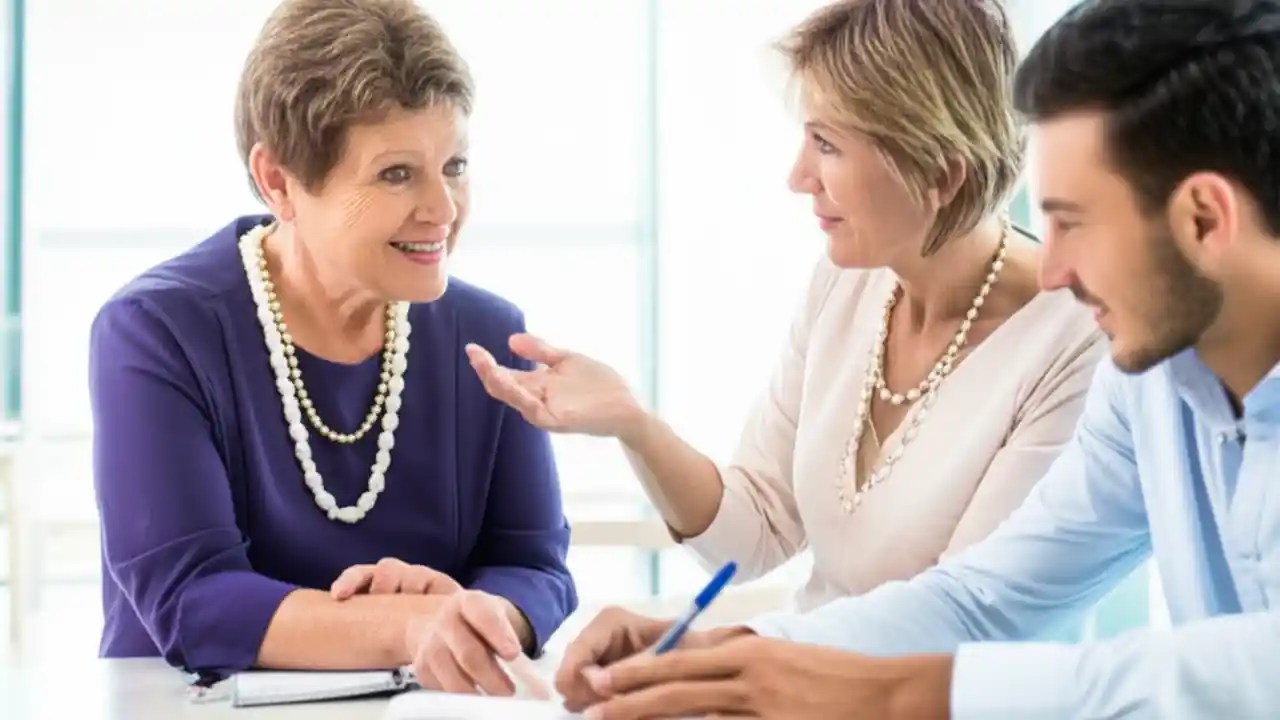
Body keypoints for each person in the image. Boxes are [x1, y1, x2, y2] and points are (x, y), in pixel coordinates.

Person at [551, 0, 1280, 718]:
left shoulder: (1088, 347)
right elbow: (983, 597)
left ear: (1204, 220)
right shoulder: (1148, 385)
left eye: (1071, 223)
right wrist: (733, 653)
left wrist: (898, 692)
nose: (1052, 270)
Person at [469, 0, 1101, 614]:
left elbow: (964, 617)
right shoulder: (846, 284)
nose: (799, 176)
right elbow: (755, 534)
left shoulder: (1074, 341)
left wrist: (731, 656)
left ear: (941, 173)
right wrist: (633, 425)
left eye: (827, 145)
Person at [87, 0, 576, 695]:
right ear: (278, 180)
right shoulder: (156, 331)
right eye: (396, 173)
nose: (444, 207)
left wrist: (478, 619)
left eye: (455, 164)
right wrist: (414, 624)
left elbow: (536, 566)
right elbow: (190, 599)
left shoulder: (490, 335)